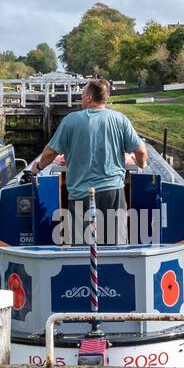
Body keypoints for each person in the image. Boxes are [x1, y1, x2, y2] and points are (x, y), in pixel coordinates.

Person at [27, 77, 146, 246]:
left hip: (81, 195)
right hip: (113, 193)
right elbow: (141, 151)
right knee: (116, 249)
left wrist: (37, 168)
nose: (81, 98)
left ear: (89, 97)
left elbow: (49, 152)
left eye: (83, 94)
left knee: (83, 252)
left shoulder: (71, 120)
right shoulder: (121, 120)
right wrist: (141, 165)